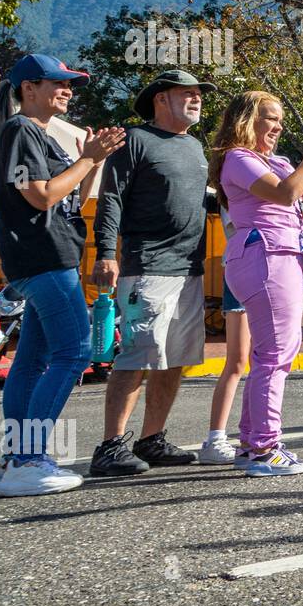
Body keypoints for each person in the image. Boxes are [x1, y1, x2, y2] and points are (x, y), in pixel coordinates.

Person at [0, 55, 125, 496]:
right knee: (75, 352)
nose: (67, 90)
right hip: (44, 262)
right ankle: (28, 459)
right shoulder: (22, 130)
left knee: (31, 361)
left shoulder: (37, 133)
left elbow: (71, 197)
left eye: (70, 84)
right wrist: (87, 159)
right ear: (29, 88)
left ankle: (15, 459)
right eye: (57, 83)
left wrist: (93, 161)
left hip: (46, 261)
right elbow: (41, 197)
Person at [90, 69, 219, 476]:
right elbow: (110, 198)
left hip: (189, 269)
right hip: (146, 267)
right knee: (137, 356)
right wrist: (105, 252)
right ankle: (110, 446)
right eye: (187, 93)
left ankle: (152, 439)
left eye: (199, 94)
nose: (197, 99)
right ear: (161, 99)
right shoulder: (135, 140)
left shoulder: (196, 147)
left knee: (174, 359)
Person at [209, 90, 303, 475]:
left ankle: (253, 444)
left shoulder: (275, 161)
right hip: (266, 255)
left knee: (273, 351)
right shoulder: (238, 158)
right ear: (246, 120)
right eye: (271, 118)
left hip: (284, 255)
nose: (278, 126)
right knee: (275, 354)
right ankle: (264, 447)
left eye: (279, 119)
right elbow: (286, 193)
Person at [197, 205, 251, 464]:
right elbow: (241, 226)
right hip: (243, 268)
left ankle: (256, 435)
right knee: (237, 360)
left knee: (265, 360)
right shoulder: (236, 181)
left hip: (273, 270)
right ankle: (215, 438)